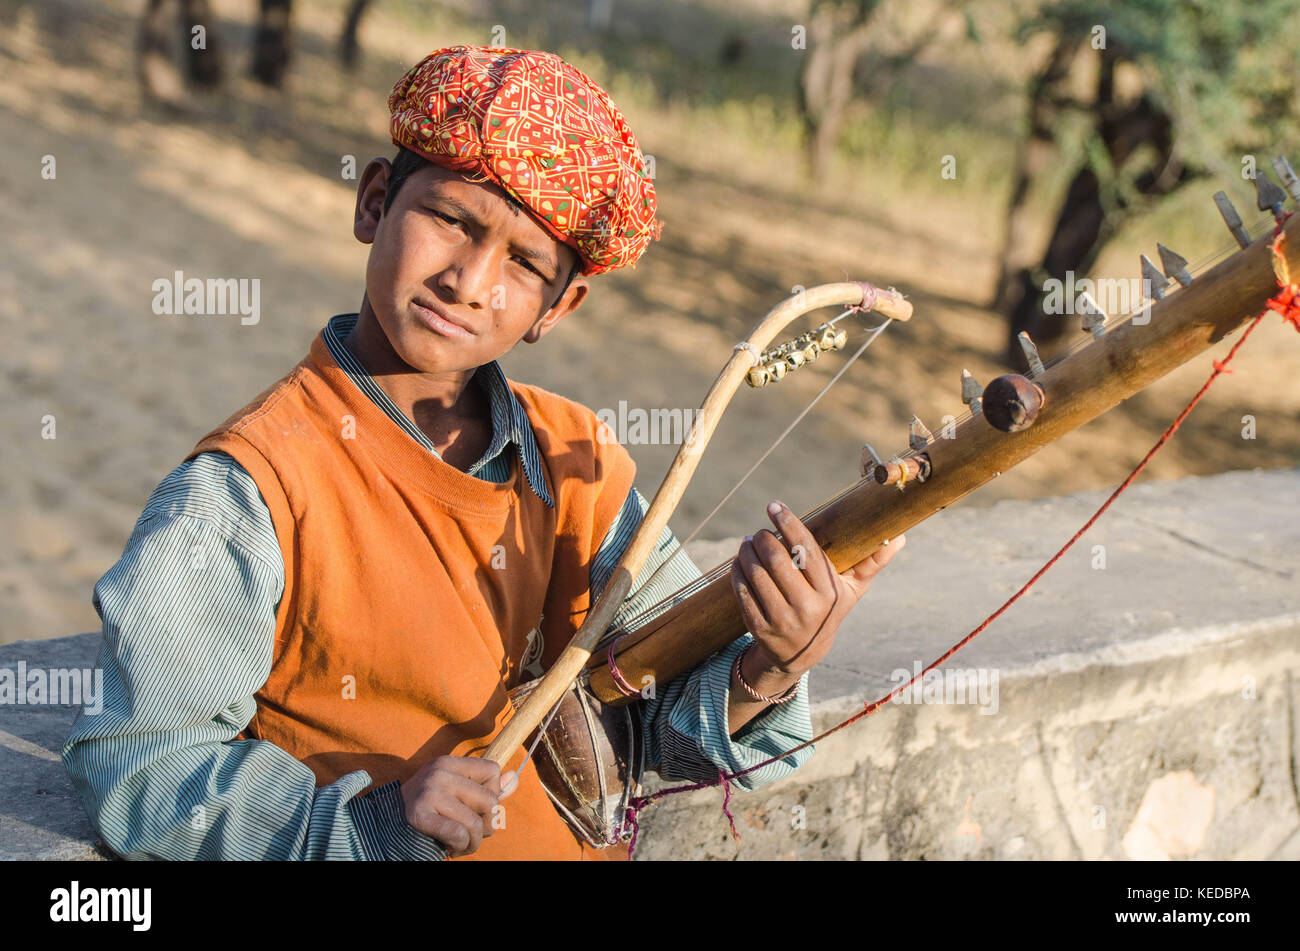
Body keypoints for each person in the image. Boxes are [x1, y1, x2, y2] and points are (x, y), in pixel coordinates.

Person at [62, 45, 905, 860]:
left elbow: (651, 710)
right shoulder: (251, 488)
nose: (469, 280)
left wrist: (771, 662)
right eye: (450, 219)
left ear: (558, 306)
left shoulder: (577, 463)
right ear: (375, 203)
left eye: (524, 262)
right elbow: (142, 767)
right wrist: (374, 827)